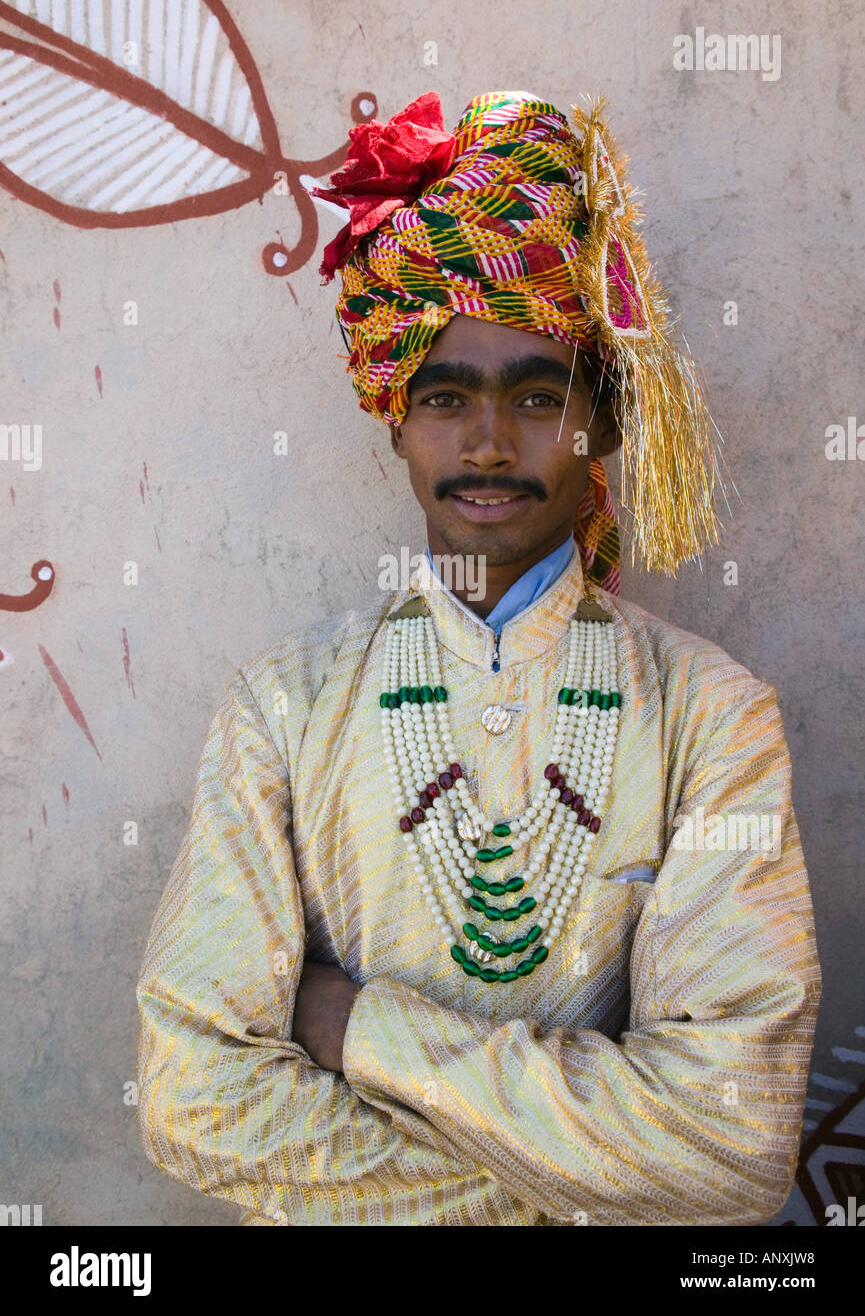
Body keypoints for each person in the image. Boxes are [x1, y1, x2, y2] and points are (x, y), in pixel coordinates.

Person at [136, 90, 821, 1226]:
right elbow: (193, 1098)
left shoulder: (712, 716)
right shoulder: (285, 707)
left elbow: (731, 1141)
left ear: (597, 419)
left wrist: (355, 1026)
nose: (491, 443)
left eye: (539, 396)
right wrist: (571, 1185)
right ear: (394, 419)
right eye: (446, 397)